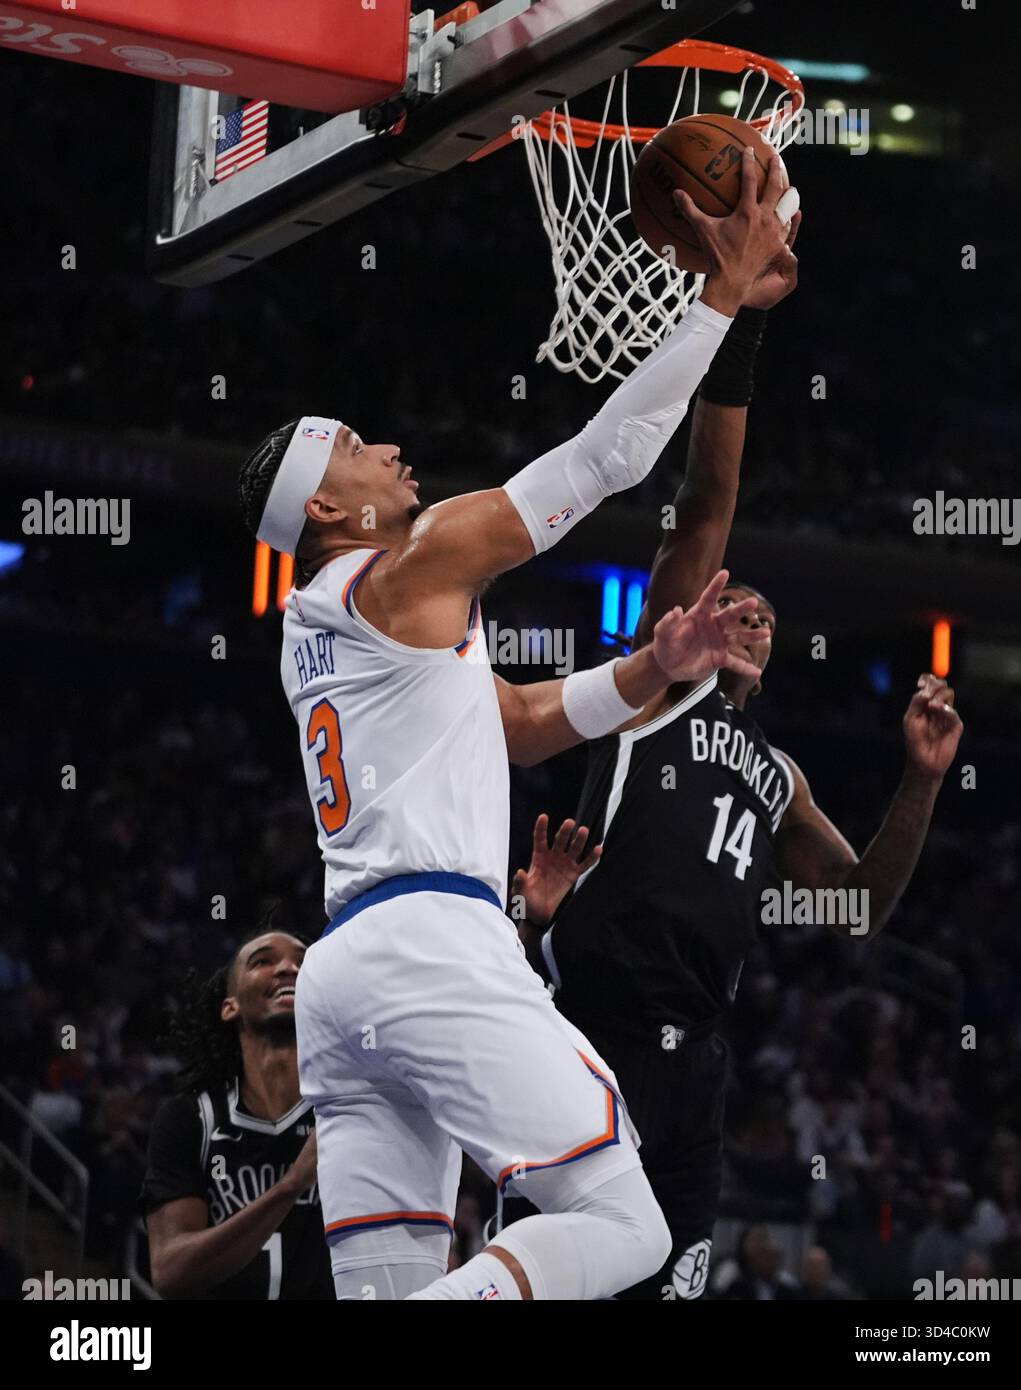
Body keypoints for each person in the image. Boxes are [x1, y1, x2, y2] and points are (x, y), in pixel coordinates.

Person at [235, 150, 795, 1301]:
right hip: (434, 948)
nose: (390, 449)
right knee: (622, 1222)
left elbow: (524, 722)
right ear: (331, 510)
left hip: (345, 976)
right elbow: (605, 459)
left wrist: (655, 664)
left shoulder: (326, 629)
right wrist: (717, 299)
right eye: (357, 449)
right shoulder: (411, 562)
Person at [517, 203, 965, 1299]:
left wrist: (917, 779)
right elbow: (706, 494)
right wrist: (745, 326)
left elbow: (855, 906)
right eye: (737, 604)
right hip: (594, 1025)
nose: (749, 614)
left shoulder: (777, 775)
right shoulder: (654, 687)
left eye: (764, 617)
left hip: (698, 1065)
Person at [142, 929, 333, 1299]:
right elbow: (170, 1272)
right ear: (230, 1006)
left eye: (303, 962)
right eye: (264, 961)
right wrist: (290, 1186)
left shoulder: (350, 1108)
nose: (289, 968)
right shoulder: (189, 1119)